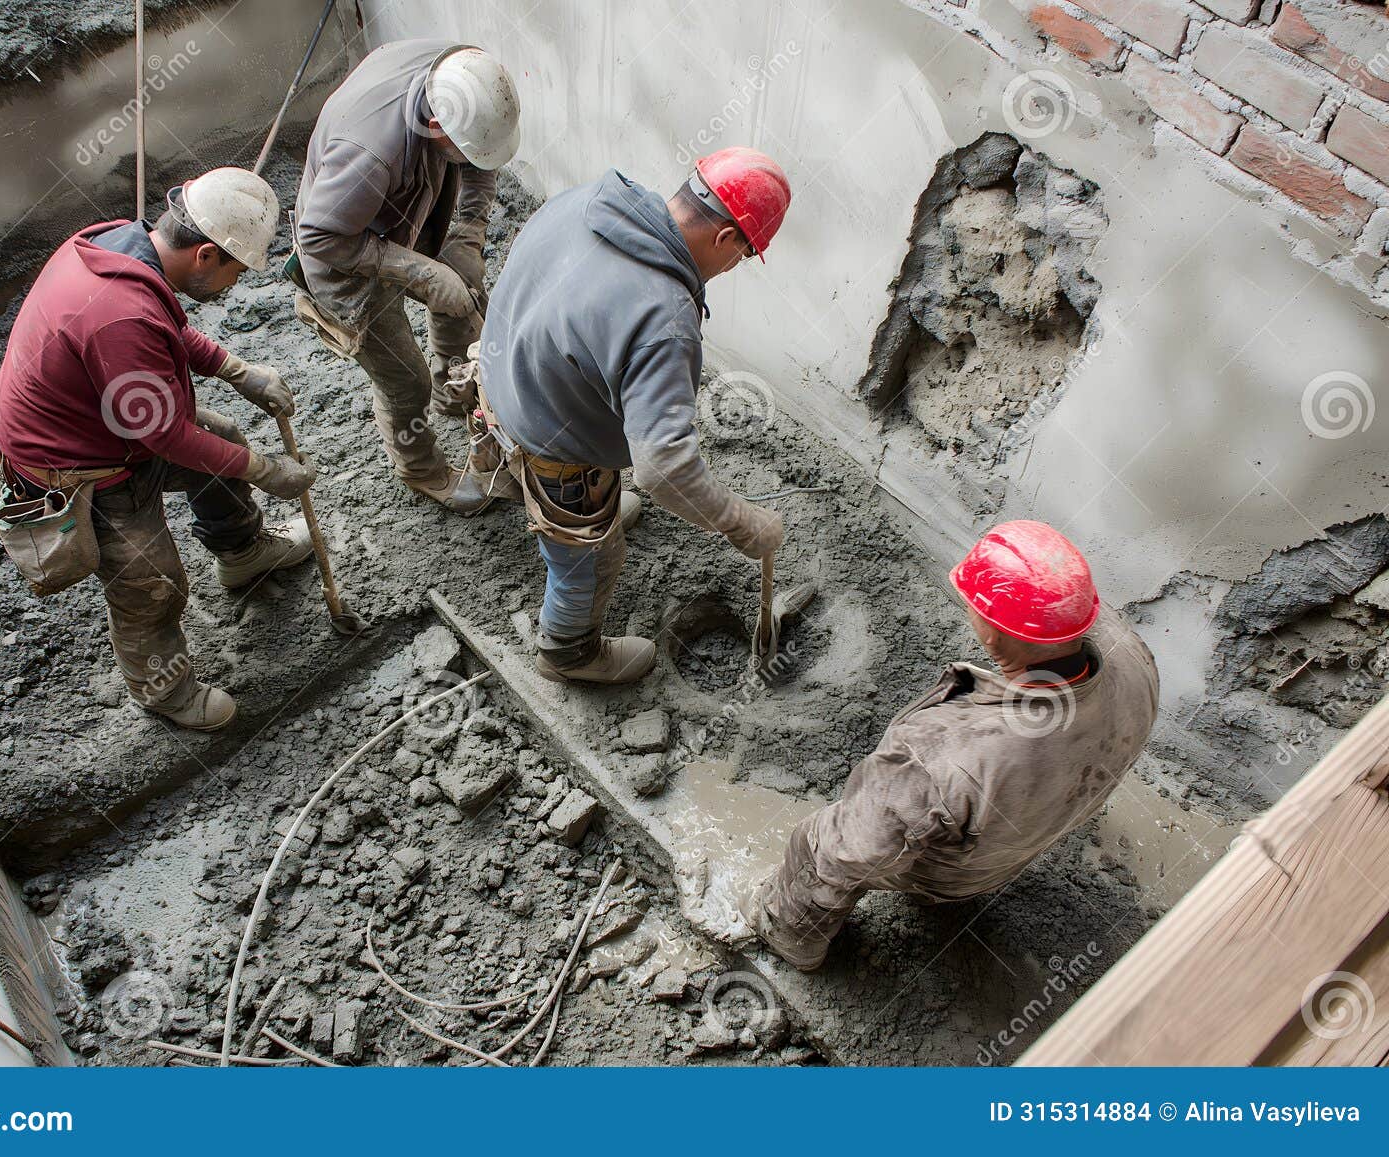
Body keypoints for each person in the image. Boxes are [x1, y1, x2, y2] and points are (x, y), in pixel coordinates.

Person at [746, 521, 1160, 970]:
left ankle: (790, 940)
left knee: (817, 844)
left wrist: (786, 911)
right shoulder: (1132, 656)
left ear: (992, 635)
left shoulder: (936, 757)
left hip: (952, 874)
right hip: (1029, 831)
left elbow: (845, 854)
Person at [0, 168, 315, 731]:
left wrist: (235, 370)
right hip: (76, 463)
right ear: (206, 255)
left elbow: (168, 330)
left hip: (111, 417)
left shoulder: (121, 244)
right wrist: (266, 470)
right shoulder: (120, 314)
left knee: (223, 443)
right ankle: (164, 690)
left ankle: (242, 555)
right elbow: (164, 437)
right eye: (237, 269)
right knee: (152, 581)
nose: (238, 282)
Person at [468, 147, 792, 684]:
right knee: (593, 559)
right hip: (545, 438)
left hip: (499, 381)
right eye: (742, 255)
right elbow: (663, 468)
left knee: (610, 490)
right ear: (726, 239)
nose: (733, 267)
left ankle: (574, 493)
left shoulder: (590, 200)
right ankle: (569, 654)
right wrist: (741, 523)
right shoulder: (663, 316)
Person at [290, 40, 521, 514]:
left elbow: (483, 161)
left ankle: (454, 388)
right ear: (436, 127)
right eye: (462, 148)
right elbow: (321, 235)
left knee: (463, 299)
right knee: (404, 379)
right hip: (342, 247)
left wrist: (468, 232)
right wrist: (421, 272)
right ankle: (420, 467)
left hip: (408, 203)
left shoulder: (459, 74)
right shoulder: (369, 152)